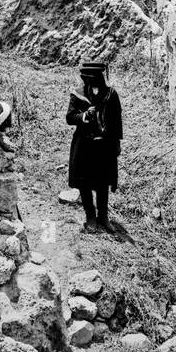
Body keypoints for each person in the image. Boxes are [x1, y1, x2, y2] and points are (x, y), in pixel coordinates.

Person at [65, 60, 123, 234]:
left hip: (104, 146)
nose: (87, 81)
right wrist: (83, 116)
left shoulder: (111, 94)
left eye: (91, 78)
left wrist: (117, 143)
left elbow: (116, 121)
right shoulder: (78, 94)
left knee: (103, 181)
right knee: (84, 182)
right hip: (84, 145)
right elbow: (69, 117)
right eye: (85, 78)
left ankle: (103, 218)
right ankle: (90, 217)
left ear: (99, 77)